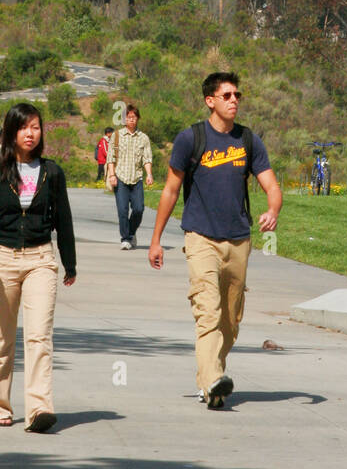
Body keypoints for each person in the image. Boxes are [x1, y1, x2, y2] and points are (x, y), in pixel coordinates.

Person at [148, 72, 282, 409]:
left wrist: (273, 210)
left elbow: (272, 186)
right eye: (226, 95)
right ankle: (212, 382)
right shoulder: (190, 138)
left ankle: (212, 375)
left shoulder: (248, 141)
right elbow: (170, 189)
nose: (234, 100)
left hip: (238, 241)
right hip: (200, 238)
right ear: (210, 101)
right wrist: (155, 239)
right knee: (208, 312)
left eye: (237, 94)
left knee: (230, 322)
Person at [0, 102, 76, 431]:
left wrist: (69, 262)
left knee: (39, 337)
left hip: (40, 259)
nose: (30, 133)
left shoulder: (52, 172)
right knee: (1, 337)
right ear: (11, 133)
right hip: (1, 260)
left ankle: (39, 409)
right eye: (23, 128)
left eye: (35, 127)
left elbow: (64, 220)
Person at [105, 105, 153, 249]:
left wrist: (149, 174)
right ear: (124, 119)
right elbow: (110, 157)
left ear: (137, 118)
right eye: (128, 117)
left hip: (136, 178)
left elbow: (147, 158)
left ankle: (131, 233)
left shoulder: (143, 138)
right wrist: (112, 175)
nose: (131, 120)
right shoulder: (117, 136)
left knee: (139, 209)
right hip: (120, 178)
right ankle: (125, 238)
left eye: (133, 117)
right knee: (122, 210)